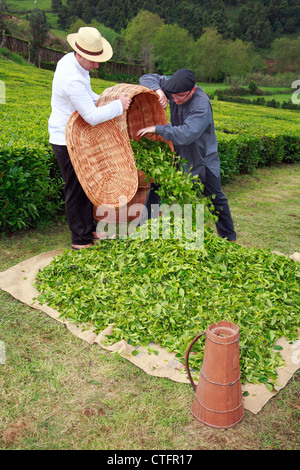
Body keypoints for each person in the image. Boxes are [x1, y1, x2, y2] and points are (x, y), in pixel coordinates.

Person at [48, 27, 131, 250]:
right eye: (94, 61)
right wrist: (118, 106)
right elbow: (92, 117)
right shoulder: (71, 79)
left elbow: (88, 96)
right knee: (75, 187)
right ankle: (80, 239)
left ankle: (88, 228)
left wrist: (104, 99)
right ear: (81, 54)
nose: (97, 65)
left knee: (86, 185)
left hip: (78, 136)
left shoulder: (71, 60)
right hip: (66, 139)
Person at [136, 68, 236, 242]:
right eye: (173, 95)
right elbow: (146, 77)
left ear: (193, 90)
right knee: (158, 186)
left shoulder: (201, 105)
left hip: (202, 158)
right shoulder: (174, 88)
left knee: (215, 197)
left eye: (181, 96)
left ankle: (229, 238)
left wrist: (158, 129)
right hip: (178, 154)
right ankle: (142, 230)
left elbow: (186, 134)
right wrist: (158, 90)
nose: (175, 99)